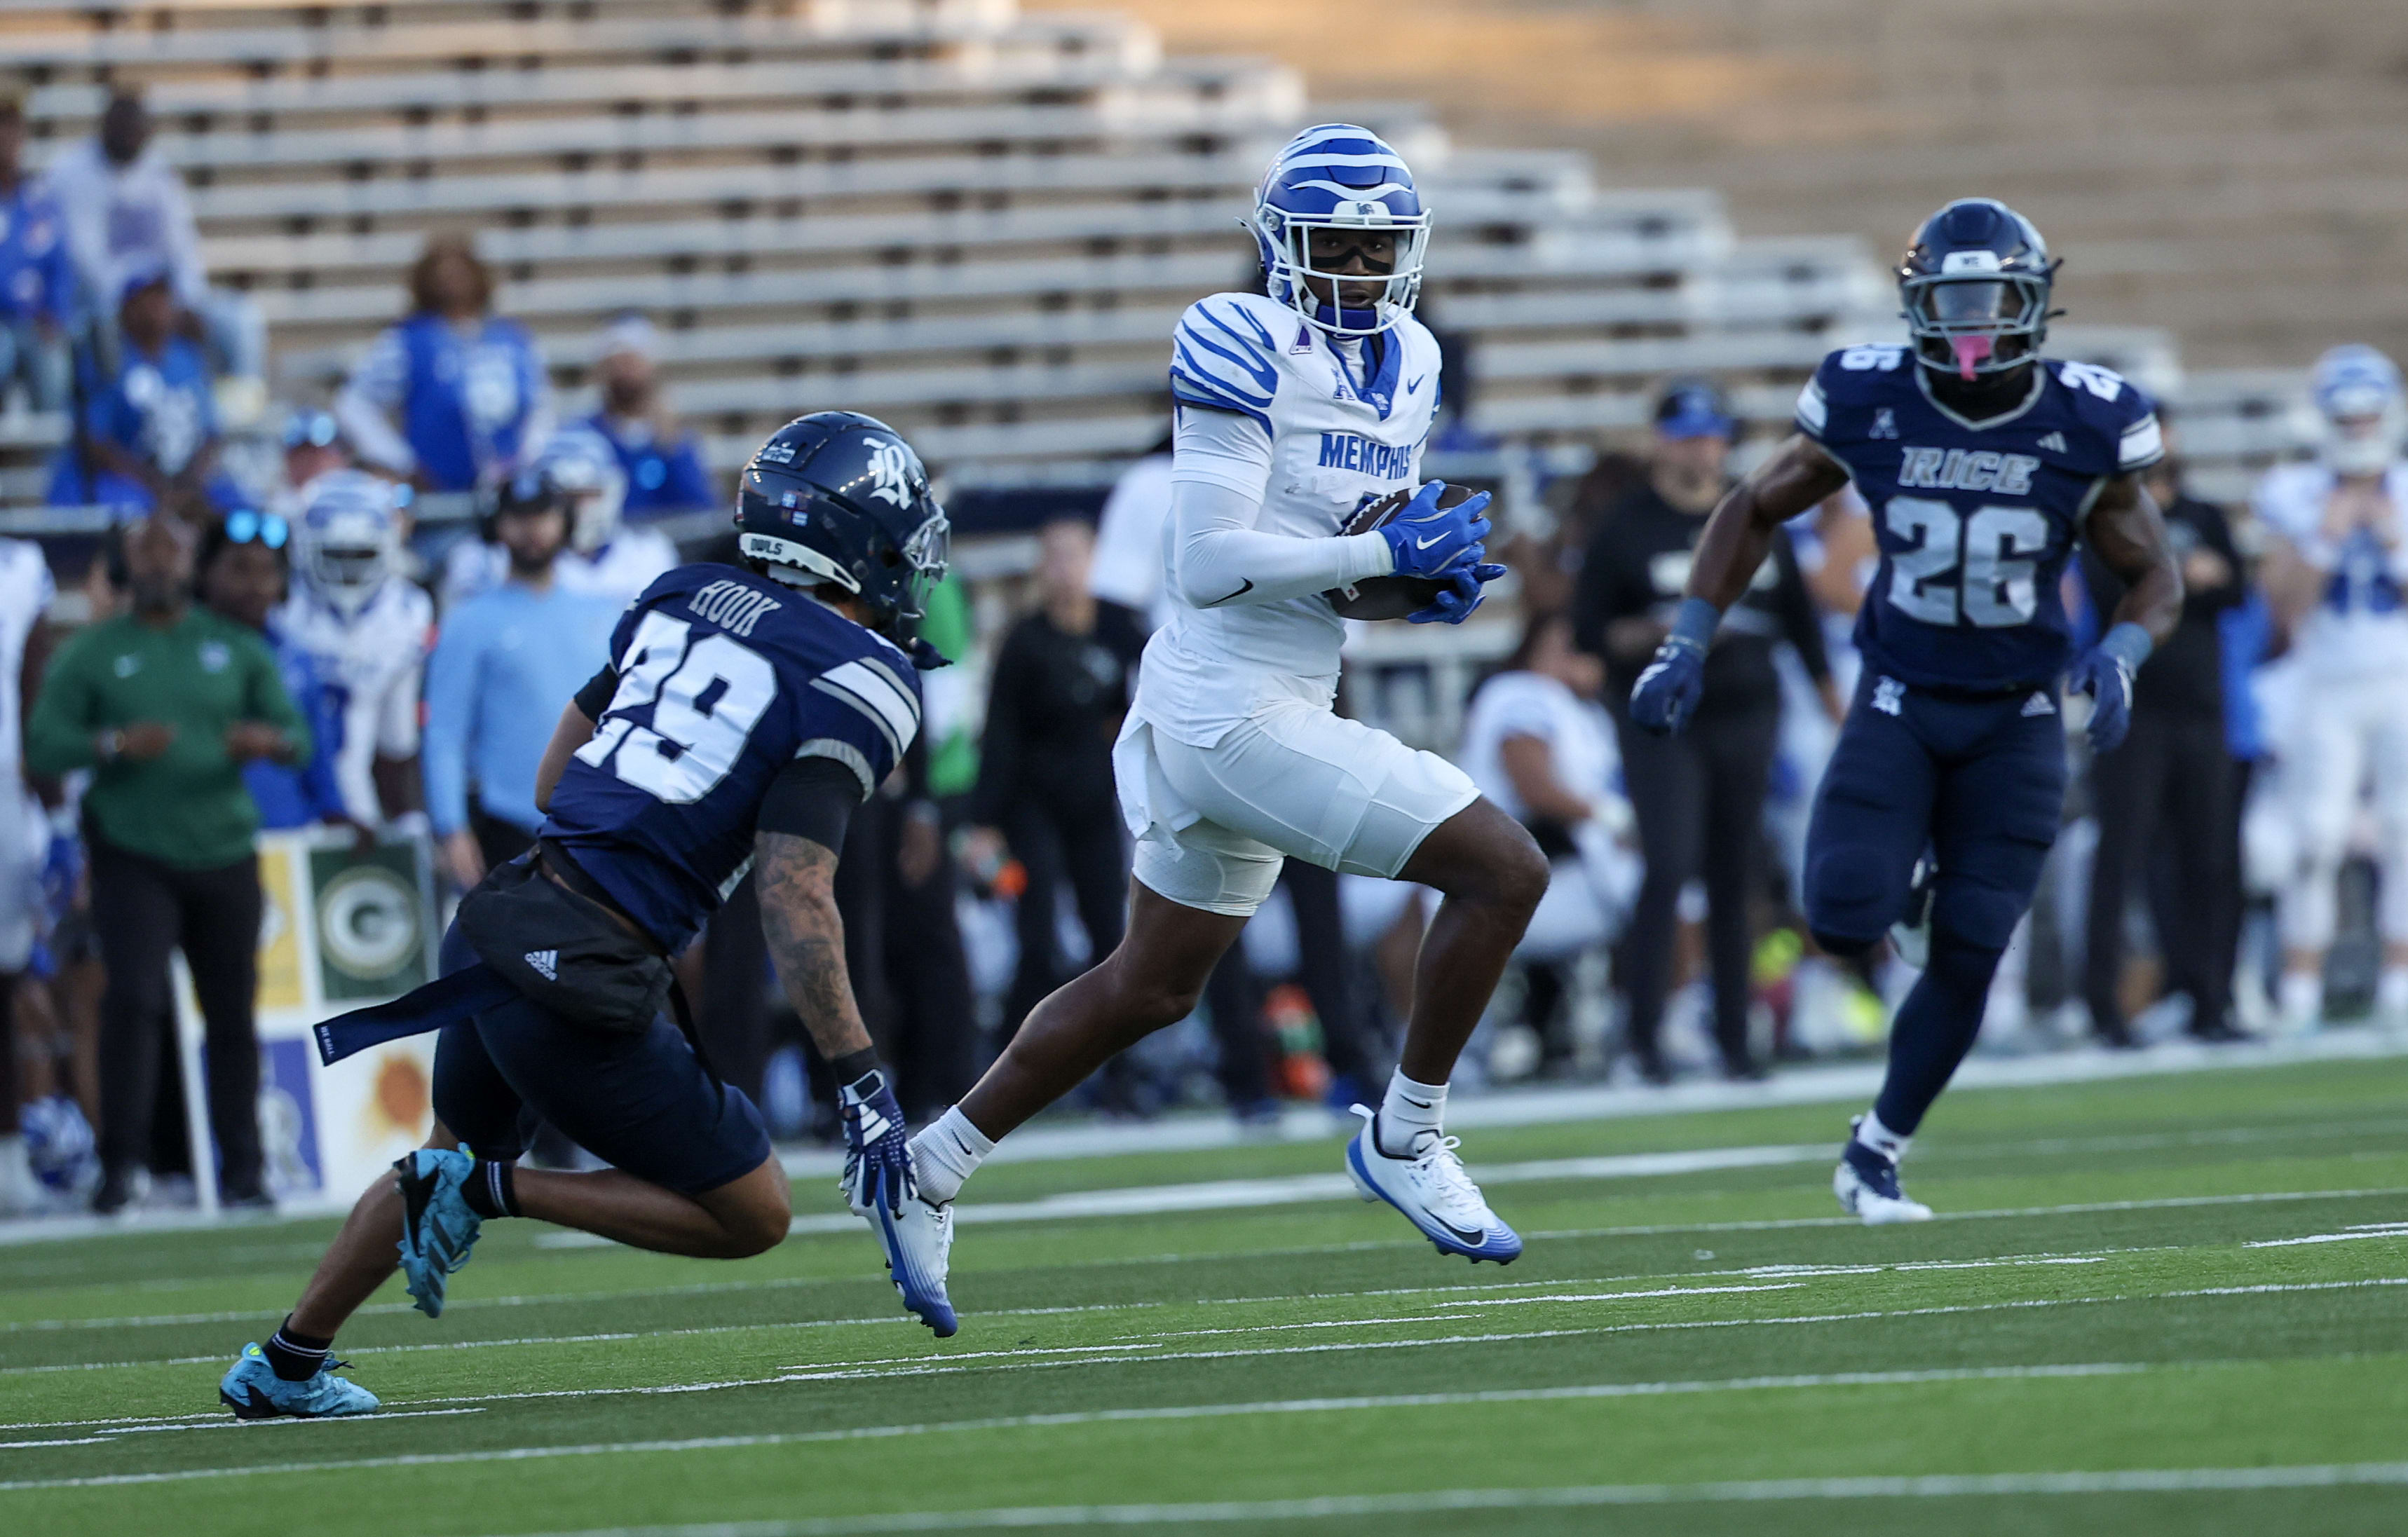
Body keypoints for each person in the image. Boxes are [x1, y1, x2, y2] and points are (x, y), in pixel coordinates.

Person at [883, 125, 1543, 1326]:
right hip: (1225, 699)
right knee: (1505, 868)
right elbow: (1205, 562)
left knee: (1149, 985)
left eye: (1377, 243)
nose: (1355, 264)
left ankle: (929, 1166)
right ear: (1282, 246)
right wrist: (1378, 552)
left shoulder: (1415, 356)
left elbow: (1329, 573)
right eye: (1333, 242)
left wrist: (1405, 581)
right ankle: (1408, 1129)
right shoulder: (1239, 335)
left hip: (1276, 687)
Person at [215, 411, 951, 1417]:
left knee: (443, 1151)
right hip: (581, 967)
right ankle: (488, 1193)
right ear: (854, 540)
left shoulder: (681, 592)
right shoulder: (861, 678)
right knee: (752, 1212)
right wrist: (861, 1080)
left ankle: (287, 1361)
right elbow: (792, 890)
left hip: (505, 914)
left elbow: (557, 780)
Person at [1628, 198, 2181, 1223]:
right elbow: (1751, 506)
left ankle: (1876, 1148)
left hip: (2015, 713)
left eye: (1992, 299)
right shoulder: (1867, 397)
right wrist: (1686, 639)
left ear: (2034, 302)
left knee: (1972, 944)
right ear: (1915, 302)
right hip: (1898, 696)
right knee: (1839, 914)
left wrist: (2122, 650)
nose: (1972, 324)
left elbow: (2155, 573)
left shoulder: (2084, 420)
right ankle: (1909, 900)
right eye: (1952, 299)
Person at [25, 515, 311, 1214]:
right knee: (134, 1002)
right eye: (144, 554)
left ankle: (244, 1167)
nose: (157, 566)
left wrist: (265, 742)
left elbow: (299, 737)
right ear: (125, 565)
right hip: (133, 851)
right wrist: (115, 741)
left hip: (223, 848)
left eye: (170, 554)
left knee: (233, 1012)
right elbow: (43, 745)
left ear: (190, 566)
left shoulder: (232, 646)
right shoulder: (94, 653)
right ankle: (122, 1166)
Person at [1574, 381, 1837, 1082]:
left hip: (1748, 712)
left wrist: (1834, 704)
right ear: (1662, 441)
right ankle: (1644, 1038)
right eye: (1688, 435)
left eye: (1712, 435)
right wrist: (1656, 636)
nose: (1701, 449)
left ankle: (1734, 1039)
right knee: (1667, 866)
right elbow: (1588, 631)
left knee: (1736, 871)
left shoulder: (1755, 518)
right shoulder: (1627, 526)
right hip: (1666, 720)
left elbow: (1804, 626)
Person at [2253, 344, 2408, 1030]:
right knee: (2313, 838)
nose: (2357, 431)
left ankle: (2400, 984)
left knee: (2406, 832)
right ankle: (2300, 989)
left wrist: (2396, 544)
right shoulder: (2293, 492)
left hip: (2400, 676)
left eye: (2366, 417)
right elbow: (2279, 610)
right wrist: (2325, 537)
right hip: (2325, 680)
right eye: (2345, 420)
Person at [2079, 437, 2248, 1046]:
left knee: (2212, 859)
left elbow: (2235, 592)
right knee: (2119, 858)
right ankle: (2103, 1007)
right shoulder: (2105, 516)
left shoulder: (2203, 514)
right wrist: (2182, 577)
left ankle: (2210, 999)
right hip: (2135, 711)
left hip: (2202, 710)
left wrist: (2202, 580)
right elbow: (2109, 597)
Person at [965, 517, 1148, 1039]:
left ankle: (1116, 1068)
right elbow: (1000, 733)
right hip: (1035, 804)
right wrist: (985, 820)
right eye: (1054, 557)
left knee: (1109, 935)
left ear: (1093, 560)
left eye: (1074, 555)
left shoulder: (1119, 630)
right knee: (1038, 935)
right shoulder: (1024, 641)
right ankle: (1019, 1052)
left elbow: (1153, 699)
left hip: (1096, 803)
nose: (1065, 570)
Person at [423, 467, 624, 892]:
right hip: (509, 825)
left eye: (543, 516)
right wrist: (451, 827)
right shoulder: (469, 621)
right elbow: (444, 733)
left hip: (598, 825)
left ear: (565, 522)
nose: (532, 530)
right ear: (495, 526)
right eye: (518, 517)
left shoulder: (603, 615)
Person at [1458, 613, 1638, 1069]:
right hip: (1499, 882)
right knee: (1668, 893)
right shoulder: (1523, 693)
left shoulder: (1587, 708)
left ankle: (1642, 1023)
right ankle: (1655, 1026)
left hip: (1553, 871)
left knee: (1671, 883)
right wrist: (1617, 819)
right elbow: (1533, 786)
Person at [43, 90, 267, 407]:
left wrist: (185, 301)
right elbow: (86, 261)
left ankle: (238, 420)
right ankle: (112, 419)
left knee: (240, 320)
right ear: (105, 127)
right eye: (123, 128)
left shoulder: (159, 173)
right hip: (101, 306)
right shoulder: (70, 173)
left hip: (163, 299)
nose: (131, 137)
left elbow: (183, 248)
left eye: (138, 130)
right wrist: (145, 305)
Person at [335, 233, 550, 493]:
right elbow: (355, 403)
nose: (452, 283)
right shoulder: (408, 341)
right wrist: (401, 462)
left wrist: (526, 462)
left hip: (509, 496)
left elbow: (540, 407)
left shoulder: (512, 339)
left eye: (460, 273)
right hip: (439, 496)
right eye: (442, 275)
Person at [276, 472, 430, 828]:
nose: (347, 568)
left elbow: (397, 746)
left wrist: (408, 818)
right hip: (281, 806)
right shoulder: (277, 607)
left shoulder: (405, 614)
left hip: (356, 814)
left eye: (361, 553)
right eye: (335, 554)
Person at [198, 510, 348, 831]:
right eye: (240, 569)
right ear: (206, 573)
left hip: (287, 835)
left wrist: (335, 812)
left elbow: (317, 752)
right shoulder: (181, 650)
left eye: (268, 571)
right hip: (206, 841)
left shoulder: (297, 657)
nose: (256, 584)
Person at [52, 271, 242, 517]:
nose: (160, 308)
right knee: (130, 514)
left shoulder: (188, 358)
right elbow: (95, 441)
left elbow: (211, 433)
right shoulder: (109, 362)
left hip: (186, 479)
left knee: (240, 508)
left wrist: (191, 483)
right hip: (129, 481)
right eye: (150, 299)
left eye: (164, 298)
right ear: (128, 309)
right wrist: (152, 484)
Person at [437, 426, 678, 610]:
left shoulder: (648, 553)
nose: (579, 508)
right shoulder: (498, 560)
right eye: (567, 497)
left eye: (589, 494)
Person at [0, 531, 50, 1213]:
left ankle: (9, 1155)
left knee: (6, 983)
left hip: (5, 798)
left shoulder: (20, 565)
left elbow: (36, 689)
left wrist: (53, 807)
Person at [583, 313, 717, 516]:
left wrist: (672, 448)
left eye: (631, 363)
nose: (624, 373)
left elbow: (702, 510)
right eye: (616, 364)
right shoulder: (585, 438)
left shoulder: (676, 440)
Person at [0, 97, 72, 414]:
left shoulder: (39, 202)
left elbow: (62, 268)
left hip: (34, 322)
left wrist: (55, 313)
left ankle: (45, 460)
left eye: (12, 130)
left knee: (53, 362)